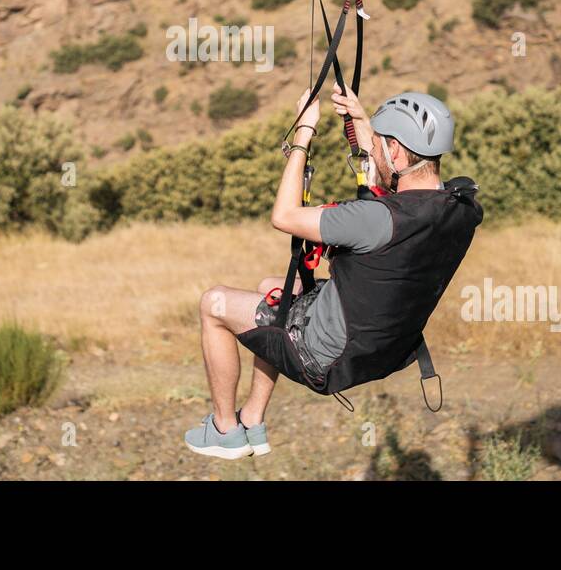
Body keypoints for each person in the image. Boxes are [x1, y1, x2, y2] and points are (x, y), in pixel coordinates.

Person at [184, 83, 481, 459]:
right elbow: (393, 191)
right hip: (384, 347)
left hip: (327, 355)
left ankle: (225, 430)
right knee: (272, 287)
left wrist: (303, 135)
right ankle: (254, 419)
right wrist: (359, 121)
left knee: (214, 303)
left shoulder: (375, 219)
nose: (369, 150)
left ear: (396, 152)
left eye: (378, 145)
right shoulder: (461, 208)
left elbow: (284, 217)